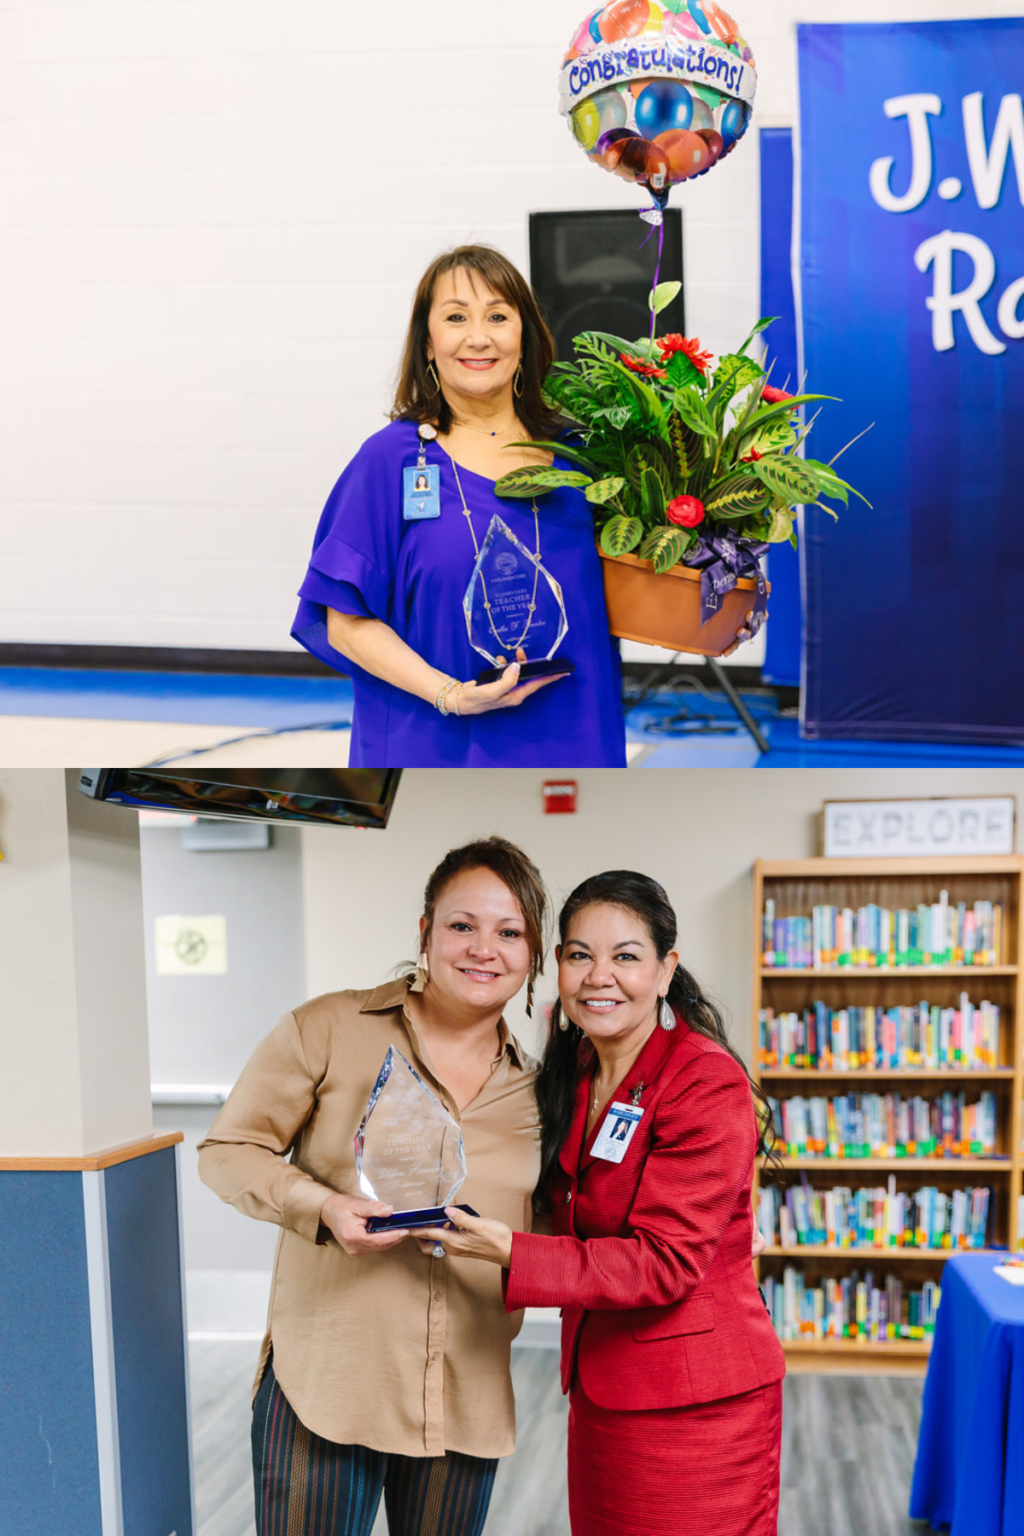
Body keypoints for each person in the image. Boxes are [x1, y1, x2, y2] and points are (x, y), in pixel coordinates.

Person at [196, 838, 549, 1536]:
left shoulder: (540, 1091)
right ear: (425, 933)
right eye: (462, 926)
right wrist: (322, 1206)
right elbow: (229, 1150)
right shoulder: (328, 1029)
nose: (485, 949)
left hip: (466, 1397)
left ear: (533, 954)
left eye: (510, 932)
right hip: (328, 1385)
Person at [291, 243, 756, 768]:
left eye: (497, 316)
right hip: (434, 741)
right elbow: (344, 621)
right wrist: (451, 695)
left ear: (523, 336)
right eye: (456, 317)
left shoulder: (585, 456)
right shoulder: (389, 461)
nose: (478, 337)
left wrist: (724, 604)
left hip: (569, 732)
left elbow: (646, 578)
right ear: (427, 342)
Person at [420, 871, 786, 1536]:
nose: (599, 976)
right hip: (604, 1386)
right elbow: (578, 1210)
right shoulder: (578, 1070)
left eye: (626, 957)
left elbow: (665, 1263)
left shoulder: (703, 1080)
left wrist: (509, 1249)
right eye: (580, 954)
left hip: (695, 1405)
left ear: (665, 969)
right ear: (557, 964)